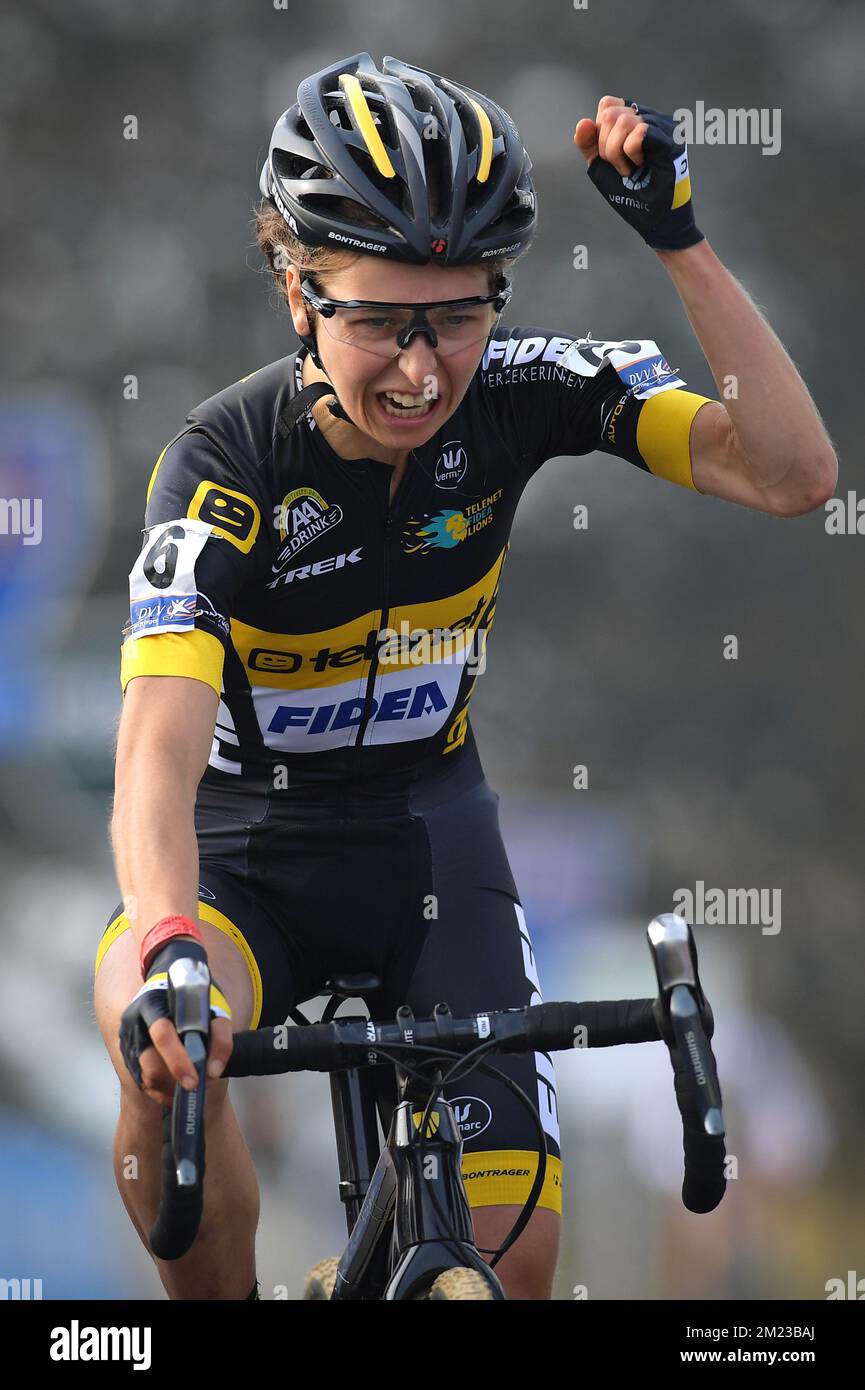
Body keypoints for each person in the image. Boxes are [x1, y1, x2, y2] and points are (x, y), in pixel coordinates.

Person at [92, 52, 836, 1301]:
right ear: (297, 292)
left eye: (459, 312)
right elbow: (154, 750)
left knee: (516, 1273)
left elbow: (791, 473)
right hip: (236, 860)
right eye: (382, 319)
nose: (424, 369)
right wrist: (167, 939)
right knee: (160, 1032)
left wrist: (680, 244)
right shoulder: (222, 464)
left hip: (429, 853)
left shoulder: (523, 390)